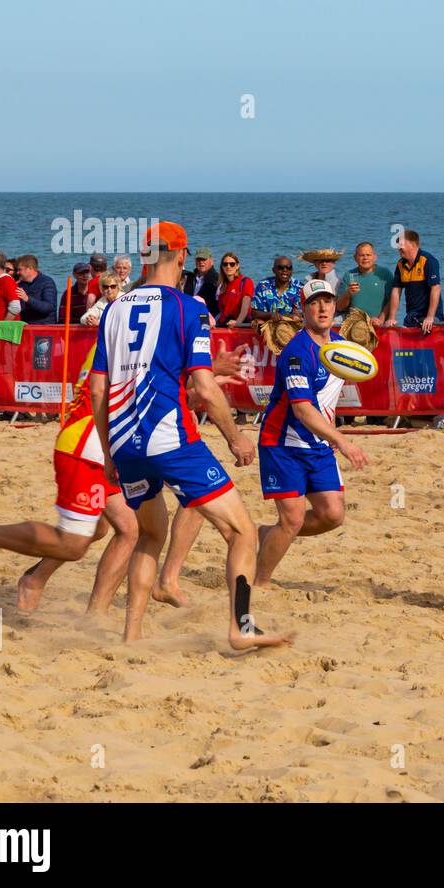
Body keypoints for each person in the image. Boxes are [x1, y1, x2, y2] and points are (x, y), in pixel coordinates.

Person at [89, 221, 289, 649]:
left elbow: (98, 389)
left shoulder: (114, 308)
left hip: (125, 444)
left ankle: (131, 636)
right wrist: (235, 436)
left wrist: (109, 452)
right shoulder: (188, 308)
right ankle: (241, 626)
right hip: (171, 439)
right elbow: (202, 386)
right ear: (182, 257)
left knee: (148, 535)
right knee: (242, 532)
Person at [0, 342, 139, 614]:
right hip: (88, 446)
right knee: (73, 544)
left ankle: (87, 609)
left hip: (104, 445)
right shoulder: (133, 330)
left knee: (121, 529)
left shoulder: (124, 327)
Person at [249, 279, 369, 584]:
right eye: (315, 302)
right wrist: (343, 441)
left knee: (332, 515)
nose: (323, 307)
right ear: (303, 310)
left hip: (318, 441)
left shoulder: (341, 347)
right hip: (283, 442)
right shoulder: (296, 352)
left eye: (327, 300)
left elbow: (363, 368)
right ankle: (258, 584)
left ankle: (269, 534)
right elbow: (302, 410)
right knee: (292, 519)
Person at [384, 229, 441, 332]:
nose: (399, 248)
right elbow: (396, 291)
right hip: (412, 316)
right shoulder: (400, 264)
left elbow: (436, 288)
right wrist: (392, 318)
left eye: (401, 245)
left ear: (413, 245)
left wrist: (430, 317)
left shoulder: (428, 260)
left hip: (430, 316)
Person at [336, 242, 393, 323]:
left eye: (368, 255)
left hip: (378, 324)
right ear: (355, 258)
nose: (365, 258)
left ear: (375, 257)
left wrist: (381, 319)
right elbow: (339, 307)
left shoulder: (384, 274)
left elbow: (393, 300)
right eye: (361, 255)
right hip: (355, 325)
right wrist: (348, 294)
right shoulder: (349, 275)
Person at [251, 256, 302, 324]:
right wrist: (270, 315)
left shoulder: (300, 288)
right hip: (267, 326)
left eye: (289, 268)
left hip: (292, 327)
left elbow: (305, 313)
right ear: (273, 270)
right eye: (281, 267)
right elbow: (254, 312)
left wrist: (297, 314)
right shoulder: (263, 285)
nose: (285, 270)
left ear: (292, 270)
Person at [14, 254, 58, 325]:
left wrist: (28, 299)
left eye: (20, 269)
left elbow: (48, 307)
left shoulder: (47, 282)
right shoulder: (20, 285)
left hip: (45, 327)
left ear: (30, 269)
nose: (17, 273)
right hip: (26, 327)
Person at [215, 252, 254, 328]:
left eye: (232, 264)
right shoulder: (222, 286)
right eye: (225, 264)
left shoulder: (246, 282)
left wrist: (237, 323)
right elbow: (221, 312)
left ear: (237, 266)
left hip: (238, 326)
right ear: (222, 267)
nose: (228, 267)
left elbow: (245, 308)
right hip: (224, 325)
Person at [179, 249, 219, 315]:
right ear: (195, 261)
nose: (201, 262)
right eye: (198, 260)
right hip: (189, 314)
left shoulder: (216, 279)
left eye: (204, 259)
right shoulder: (190, 278)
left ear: (211, 261)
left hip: (207, 316)